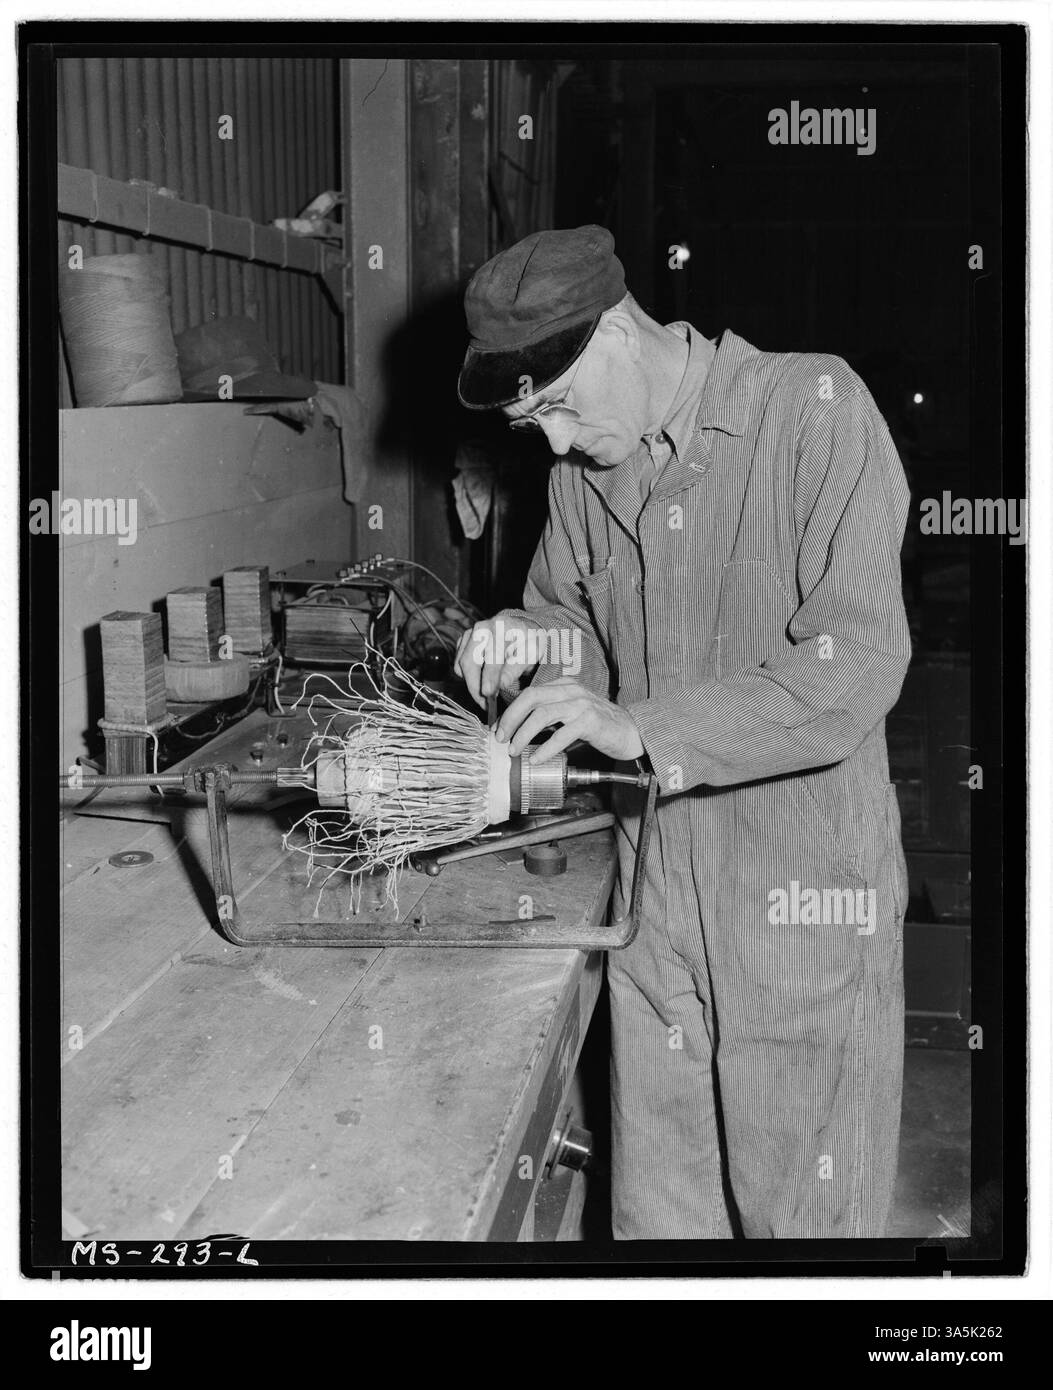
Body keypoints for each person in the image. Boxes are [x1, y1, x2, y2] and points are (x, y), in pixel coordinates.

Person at [454, 224, 911, 1239]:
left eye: (562, 408)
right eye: (541, 431)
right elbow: (576, 634)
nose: (560, 447)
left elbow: (858, 663)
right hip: (655, 896)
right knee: (663, 1214)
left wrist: (638, 726)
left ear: (618, 327)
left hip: (797, 900)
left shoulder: (808, 409)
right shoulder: (582, 479)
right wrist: (527, 637)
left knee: (809, 1219)